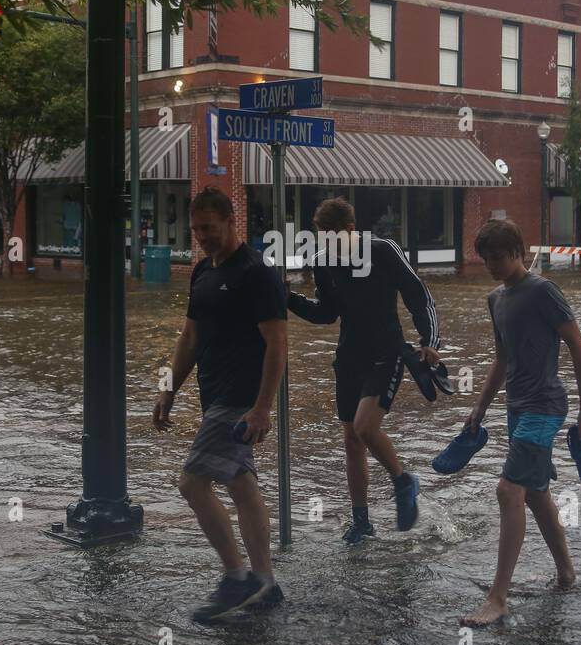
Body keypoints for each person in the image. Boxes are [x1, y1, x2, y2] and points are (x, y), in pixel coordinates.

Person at [153, 187, 287, 623]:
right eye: (195, 230)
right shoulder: (201, 272)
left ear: (232, 220)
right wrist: (169, 388)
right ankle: (265, 583)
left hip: (240, 399)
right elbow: (190, 336)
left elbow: (277, 344)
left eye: (209, 228)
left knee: (192, 484)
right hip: (213, 395)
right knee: (241, 486)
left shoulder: (257, 272)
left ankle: (237, 577)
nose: (202, 237)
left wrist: (263, 408)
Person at [461, 219, 581, 627]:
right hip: (517, 407)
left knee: (508, 490)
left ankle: (497, 598)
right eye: (486, 259)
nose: (492, 266)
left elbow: (578, 346)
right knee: (536, 493)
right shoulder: (495, 299)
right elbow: (502, 359)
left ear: (518, 252)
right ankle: (567, 574)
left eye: (498, 258)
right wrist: (480, 408)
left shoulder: (543, 291)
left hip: (546, 406)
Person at [287, 197, 440, 543]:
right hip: (349, 357)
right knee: (352, 440)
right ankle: (361, 522)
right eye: (323, 238)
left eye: (334, 237)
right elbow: (326, 313)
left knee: (365, 427)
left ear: (351, 230)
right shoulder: (322, 261)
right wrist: (289, 299)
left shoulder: (382, 250)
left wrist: (430, 340)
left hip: (387, 352)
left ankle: (403, 480)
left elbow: (418, 296)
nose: (329, 245)